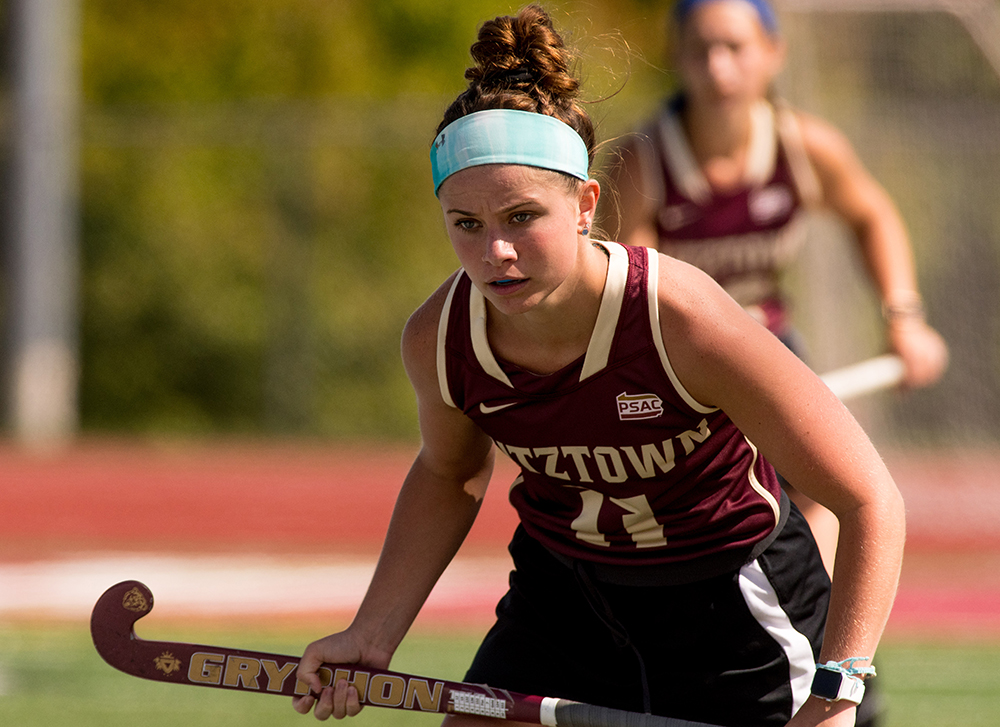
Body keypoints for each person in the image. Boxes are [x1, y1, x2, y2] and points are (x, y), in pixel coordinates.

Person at [293, 5, 905, 727]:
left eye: (522, 217)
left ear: (586, 203)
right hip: (563, 597)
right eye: (467, 224)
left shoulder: (679, 318)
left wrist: (838, 689)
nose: (496, 253)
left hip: (734, 605)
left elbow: (870, 499)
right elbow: (449, 471)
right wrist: (373, 632)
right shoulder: (441, 336)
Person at [605, 0, 946, 582]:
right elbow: (626, 292)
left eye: (734, 48)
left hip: (771, 345)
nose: (718, 68)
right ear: (678, 59)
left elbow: (872, 215)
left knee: (830, 492)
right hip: (676, 364)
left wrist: (904, 316)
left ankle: (825, 642)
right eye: (700, 49)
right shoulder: (644, 163)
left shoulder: (803, 146)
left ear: (772, 53)